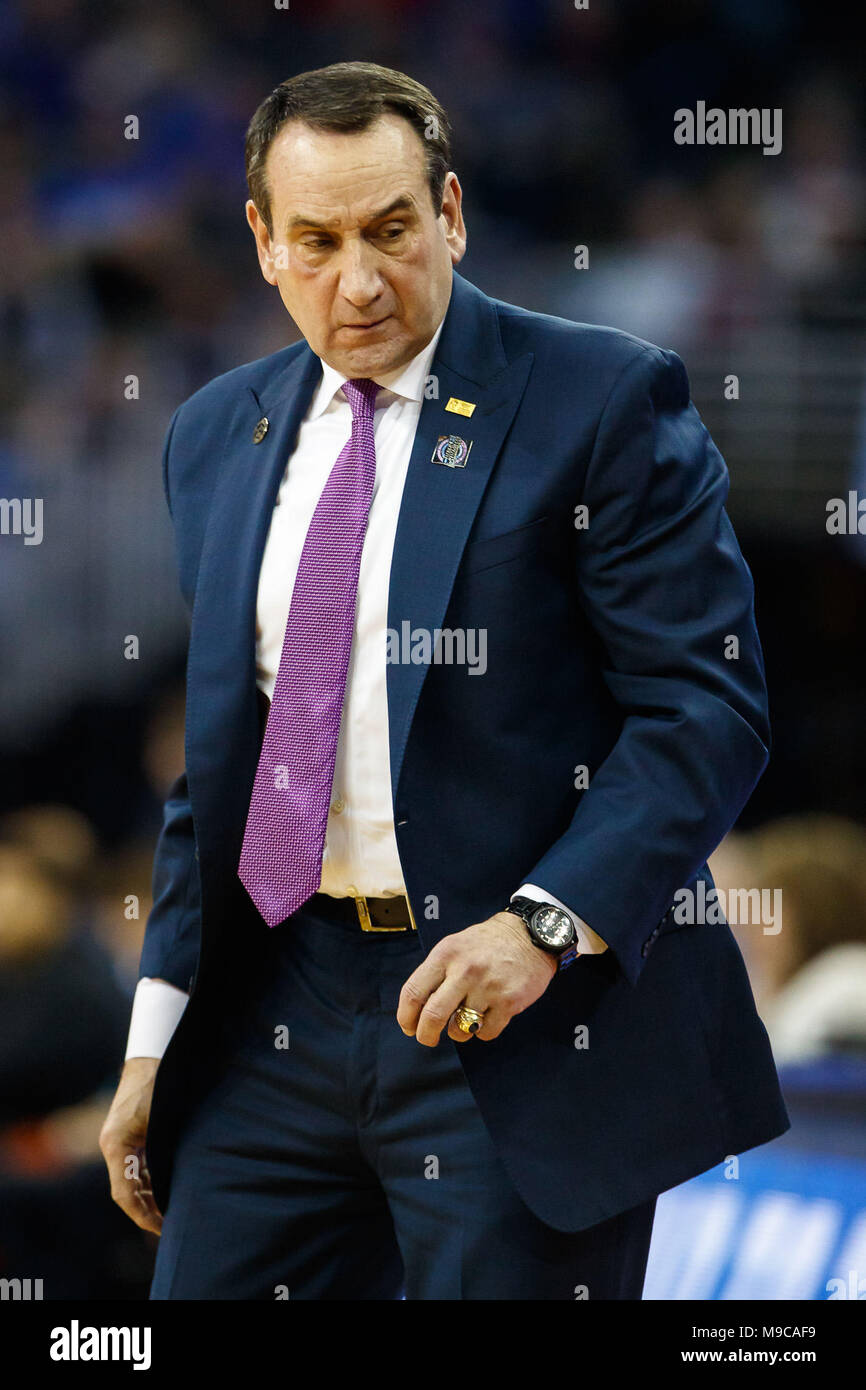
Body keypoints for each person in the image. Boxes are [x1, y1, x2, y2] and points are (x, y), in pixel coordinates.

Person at [99, 61, 789, 1300]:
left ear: (451, 214)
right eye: (318, 242)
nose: (359, 281)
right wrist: (155, 1035)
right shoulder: (211, 434)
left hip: (522, 1019)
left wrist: (542, 925)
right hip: (273, 1014)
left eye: (389, 230)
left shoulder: (601, 397)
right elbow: (222, 776)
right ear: (263, 242)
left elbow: (703, 707)